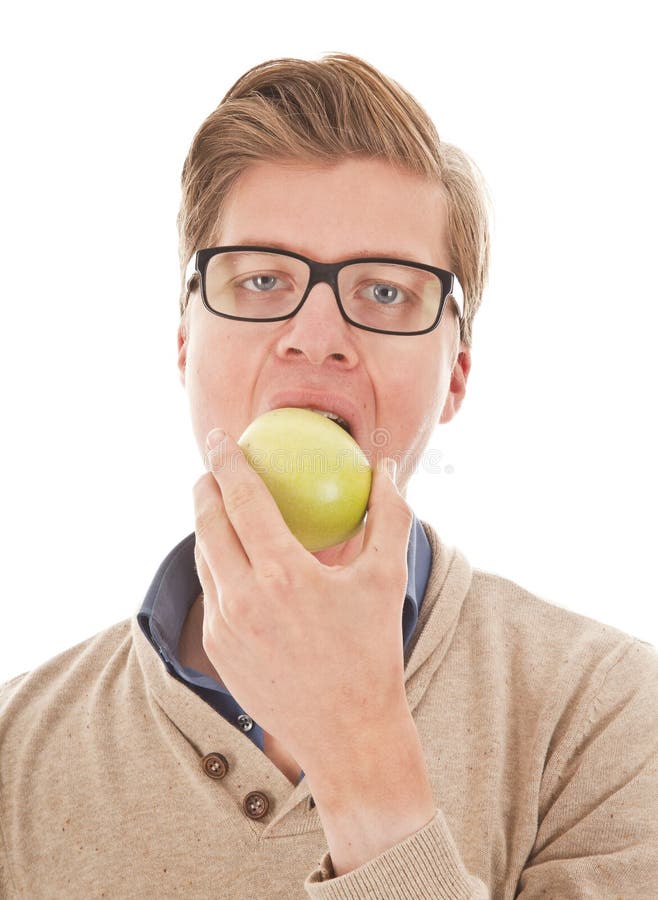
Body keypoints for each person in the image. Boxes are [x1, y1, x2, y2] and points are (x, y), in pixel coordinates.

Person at [1, 53, 656, 900]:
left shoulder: (608, 718)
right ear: (183, 342)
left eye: (385, 292)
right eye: (262, 279)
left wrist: (359, 751)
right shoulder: (15, 756)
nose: (316, 335)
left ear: (456, 373)